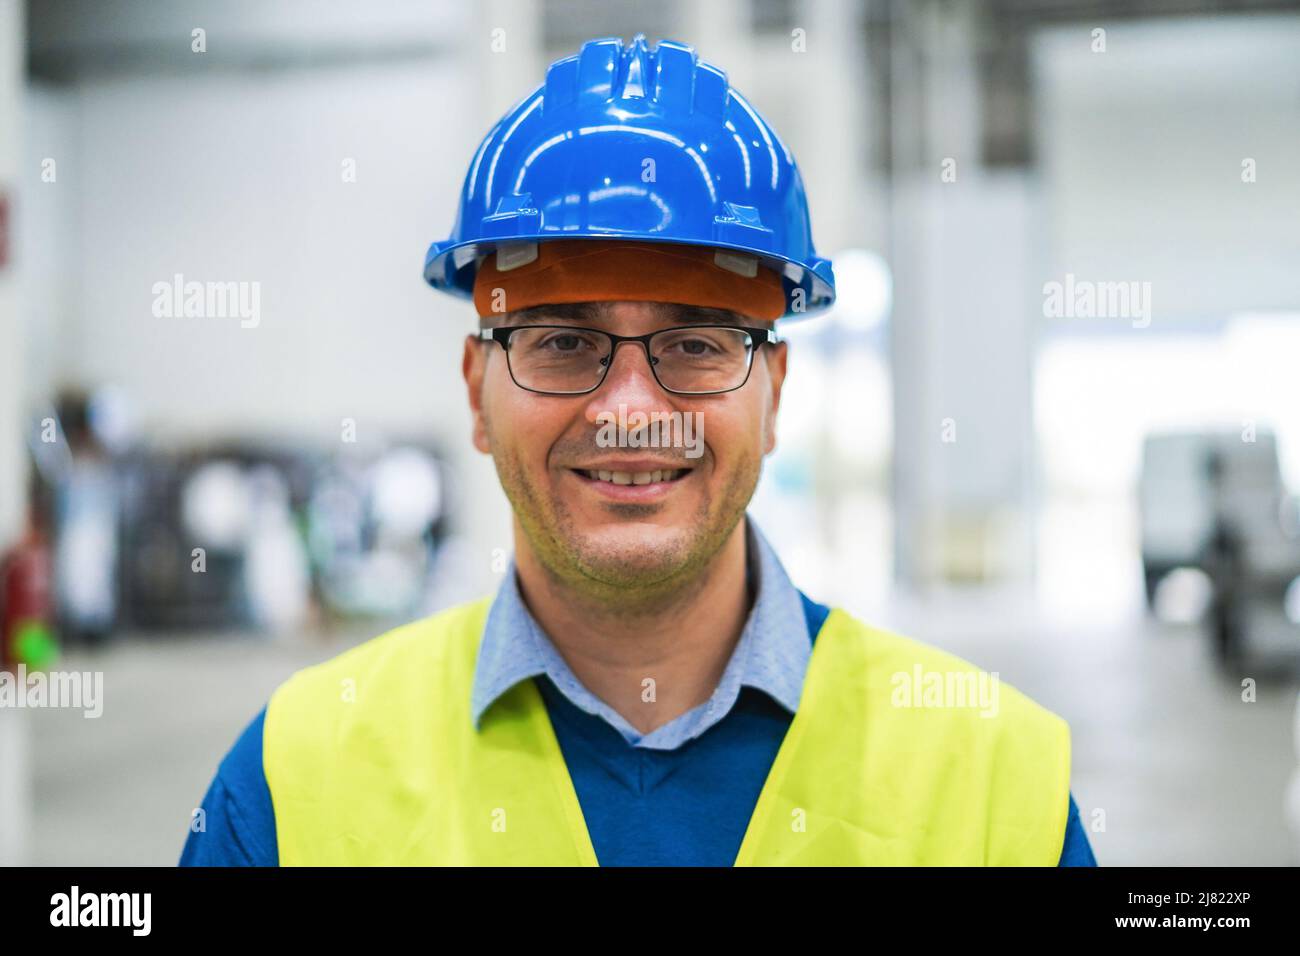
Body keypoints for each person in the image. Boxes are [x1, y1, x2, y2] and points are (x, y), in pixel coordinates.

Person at [181, 34, 1095, 866]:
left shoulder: (989, 784)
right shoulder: (293, 783)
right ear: (475, 390)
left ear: (774, 395)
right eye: (563, 342)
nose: (629, 410)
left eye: (697, 343)